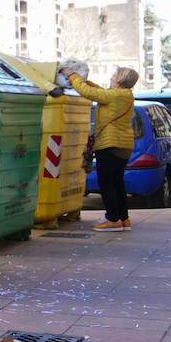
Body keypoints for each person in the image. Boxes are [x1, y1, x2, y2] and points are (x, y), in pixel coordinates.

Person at [67, 65, 139, 231]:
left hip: (110, 144)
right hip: (123, 145)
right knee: (117, 183)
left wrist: (73, 76)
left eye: (114, 76)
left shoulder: (115, 95)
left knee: (106, 183)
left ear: (120, 80)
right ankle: (123, 219)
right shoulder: (124, 95)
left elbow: (89, 93)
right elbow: (100, 92)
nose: (111, 78)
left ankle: (113, 219)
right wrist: (88, 82)